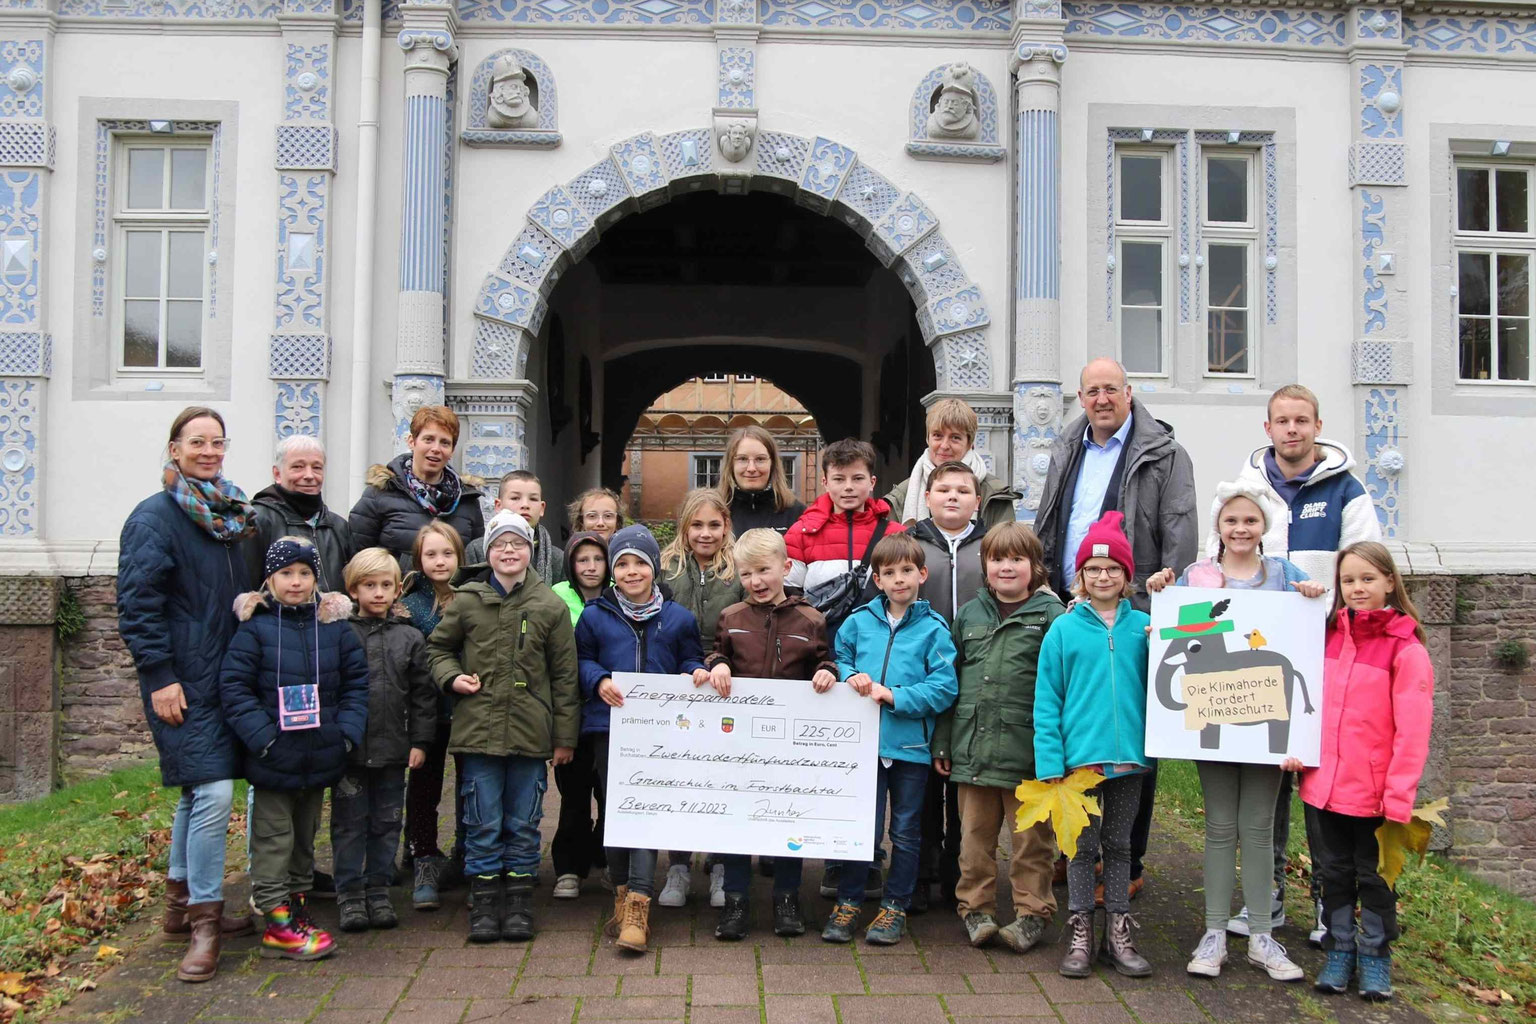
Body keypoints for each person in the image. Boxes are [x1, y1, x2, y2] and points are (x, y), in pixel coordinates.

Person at [1215, 384, 1382, 943]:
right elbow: (1219, 565)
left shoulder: (1347, 491)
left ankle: (1325, 902)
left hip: (1326, 652)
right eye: (1282, 421)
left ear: (1317, 425)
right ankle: (1270, 898)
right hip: (1259, 659)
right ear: (1268, 428)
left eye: (1301, 420)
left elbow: (1364, 563)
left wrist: (1342, 622)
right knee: (1270, 779)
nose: (1292, 429)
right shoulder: (1246, 490)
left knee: (1317, 779)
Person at [1145, 482, 1325, 982]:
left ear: (1263, 526)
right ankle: (1215, 934)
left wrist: (1314, 596)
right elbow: (1177, 636)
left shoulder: (1286, 577)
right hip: (1215, 720)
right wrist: (1163, 597)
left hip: (1266, 722)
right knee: (1221, 828)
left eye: (1249, 521)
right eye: (1231, 521)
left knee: (1260, 829)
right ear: (1218, 528)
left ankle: (1263, 936)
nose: (1240, 529)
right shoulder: (1197, 578)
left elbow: (1313, 633)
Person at [1034, 358, 1197, 901]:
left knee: (1132, 735)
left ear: (1129, 393)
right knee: (1079, 725)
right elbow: (1051, 515)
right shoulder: (1068, 444)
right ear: (1080, 398)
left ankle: (1127, 862)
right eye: (1091, 391)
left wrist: (1166, 605)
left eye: (1111, 389)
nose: (1101, 399)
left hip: (1137, 610)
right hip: (1069, 603)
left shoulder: (1164, 454)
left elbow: (1178, 528)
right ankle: (1077, 847)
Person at [117, 406, 257, 984]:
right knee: (215, 791)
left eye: (217, 442)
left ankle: (178, 903)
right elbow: (137, 603)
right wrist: (158, 676)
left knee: (195, 791)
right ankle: (205, 919)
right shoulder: (154, 517)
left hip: (229, 676)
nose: (208, 450)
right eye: (196, 441)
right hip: (182, 678)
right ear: (174, 449)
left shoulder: (234, 514)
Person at [428, 511, 581, 943]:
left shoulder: (549, 606)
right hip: (478, 734)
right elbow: (437, 649)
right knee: (482, 819)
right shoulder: (467, 600)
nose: (509, 551)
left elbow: (565, 677)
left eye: (518, 544)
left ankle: (517, 900)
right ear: (487, 552)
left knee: (523, 820)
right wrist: (451, 677)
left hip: (531, 736)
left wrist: (564, 737)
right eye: (500, 544)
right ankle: (485, 898)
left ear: (531, 551)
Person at [219, 537, 369, 962]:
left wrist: (345, 734)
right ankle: (276, 921)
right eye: (286, 574)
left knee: (305, 837)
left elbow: (357, 684)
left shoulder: (335, 628)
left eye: (305, 573)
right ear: (269, 579)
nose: (297, 582)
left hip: (320, 751)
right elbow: (235, 689)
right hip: (273, 756)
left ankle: (298, 910)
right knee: (273, 838)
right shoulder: (256, 628)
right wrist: (263, 738)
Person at [1298, 542, 1433, 1003]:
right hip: (1324, 787)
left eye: (1368, 579)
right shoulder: (1325, 635)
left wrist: (1400, 795)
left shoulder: (1405, 648)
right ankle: (1339, 950)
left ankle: (1375, 954)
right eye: (1349, 580)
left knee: (1375, 878)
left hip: (1376, 792)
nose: (1357, 588)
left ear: (1390, 583)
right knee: (1332, 874)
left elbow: (1412, 732)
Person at [698, 528, 840, 939]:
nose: (756, 581)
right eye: (746, 573)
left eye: (764, 570)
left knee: (787, 819)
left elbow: (824, 660)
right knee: (738, 820)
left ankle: (787, 898)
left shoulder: (811, 620)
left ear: (786, 567)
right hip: (739, 740)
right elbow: (717, 650)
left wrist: (827, 674)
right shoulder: (732, 617)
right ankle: (737, 901)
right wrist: (718, 663)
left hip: (789, 744)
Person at [933, 521, 1064, 954]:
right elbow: (950, 682)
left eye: (1017, 559)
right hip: (973, 749)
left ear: (1035, 566)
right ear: (984, 565)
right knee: (973, 840)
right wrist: (944, 741)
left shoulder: (1051, 617)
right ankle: (976, 910)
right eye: (997, 559)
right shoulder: (969, 614)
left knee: (1031, 842)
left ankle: (1032, 914)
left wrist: (1058, 753)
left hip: (1029, 754)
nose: (1007, 567)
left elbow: (1063, 686)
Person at [822, 534, 958, 948]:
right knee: (860, 826)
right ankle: (849, 900)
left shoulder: (935, 630)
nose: (899, 580)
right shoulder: (859, 620)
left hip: (910, 749)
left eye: (906, 571)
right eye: (889, 573)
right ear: (877, 580)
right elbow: (839, 655)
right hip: (861, 746)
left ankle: (895, 905)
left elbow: (944, 686)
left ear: (922, 574)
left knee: (905, 830)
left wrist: (895, 696)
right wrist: (849, 675)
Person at [1033, 511, 1153, 980]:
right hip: (1080, 763)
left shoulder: (1142, 628)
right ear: (1080, 576)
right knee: (1081, 849)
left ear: (1127, 577)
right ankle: (1081, 931)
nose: (1103, 576)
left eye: (1113, 569)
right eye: (1093, 569)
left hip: (1129, 763)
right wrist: (1051, 759)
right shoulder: (1063, 630)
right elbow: (1048, 698)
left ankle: (1118, 932)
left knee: (1120, 846)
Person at [576, 525, 705, 955]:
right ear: (613, 572)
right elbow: (582, 660)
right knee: (616, 811)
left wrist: (693, 673)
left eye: (640, 563)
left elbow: (688, 656)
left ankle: (639, 904)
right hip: (609, 728)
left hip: (661, 732)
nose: (632, 572)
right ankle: (620, 889)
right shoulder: (594, 615)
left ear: (654, 567)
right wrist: (598, 681)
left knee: (646, 811)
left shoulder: (679, 617)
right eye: (622, 564)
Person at [332, 548, 438, 933]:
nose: (378, 593)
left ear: (397, 591)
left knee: (387, 822)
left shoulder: (409, 637)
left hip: (394, 749)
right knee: (349, 824)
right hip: (350, 750)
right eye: (369, 585)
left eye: (386, 586)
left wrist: (421, 742)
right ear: (354, 589)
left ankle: (378, 890)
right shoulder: (341, 634)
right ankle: (349, 893)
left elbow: (423, 695)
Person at [657, 489, 745, 909]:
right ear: (684, 527)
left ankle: (722, 861)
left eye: (714, 524)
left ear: (726, 525)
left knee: (724, 778)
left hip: (728, 681)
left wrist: (722, 661)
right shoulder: (666, 568)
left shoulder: (739, 570)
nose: (705, 533)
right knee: (681, 778)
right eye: (697, 525)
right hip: (679, 681)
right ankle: (678, 863)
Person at [909, 460, 986, 913]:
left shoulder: (990, 546)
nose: (953, 496)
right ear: (929, 497)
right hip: (922, 679)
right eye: (944, 489)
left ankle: (960, 876)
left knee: (964, 780)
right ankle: (919, 873)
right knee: (919, 783)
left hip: (976, 677)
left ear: (977, 500)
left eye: (962, 490)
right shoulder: (911, 544)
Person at [399, 522, 468, 910]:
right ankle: (423, 854)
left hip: (465, 709)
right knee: (424, 785)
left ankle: (464, 852)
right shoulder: (408, 605)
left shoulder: (471, 598)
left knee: (468, 785)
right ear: (419, 559)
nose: (439, 562)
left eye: (447, 554)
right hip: (424, 712)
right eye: (431, 554)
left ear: (459, 557)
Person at [549, 532, 611, 900]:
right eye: (582, 560)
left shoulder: (620, 599)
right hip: (572, 713)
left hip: (607, 715)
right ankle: (568, 867)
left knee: (608, 796)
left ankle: (602, 858)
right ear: (571, 564)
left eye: (597, 560)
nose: (590, 567)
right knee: (573, 799)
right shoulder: (556, 598)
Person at [786, 438, 906, 627]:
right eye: (839, 479)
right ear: (825, 482)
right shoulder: (801, 534)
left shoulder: (896, 535)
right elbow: (790, 596)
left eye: (857, 478)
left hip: (880, 639)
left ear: (872, 482)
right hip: (820, 642)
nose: (848, 486)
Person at [350, 405, 485, 565]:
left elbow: (475, 561)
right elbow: (357, 559)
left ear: (452, 451)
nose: (436, 449)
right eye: (428, 439)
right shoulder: (380, 493)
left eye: (445, 443)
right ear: (412, 442)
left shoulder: (467, 500)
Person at [884, 398, 1020, 530]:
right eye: (937, 435)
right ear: (927, 438)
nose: (944, 445)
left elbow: (1006, 549)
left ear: (970, 443)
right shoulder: (903, 494)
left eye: (955, 437)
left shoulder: (994, 495)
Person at [246, 435, 355, 593]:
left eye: (317, 467)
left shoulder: (338, 526)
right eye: (298, 467)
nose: (309, 476)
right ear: (277, 474)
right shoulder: (258, 520)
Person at [464, 470, 565, 585]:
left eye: (533, 499)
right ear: (498, 506)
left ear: (542, 508)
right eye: (515, 498)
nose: (525, 505)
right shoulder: (477, 549)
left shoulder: (556, 558)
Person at [717, 425, 806, 535]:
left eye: (760, 459)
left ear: (772, 463)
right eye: (742, 459)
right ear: (731, 464)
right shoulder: (716, 511)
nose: (751, 468)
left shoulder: (796, 513)